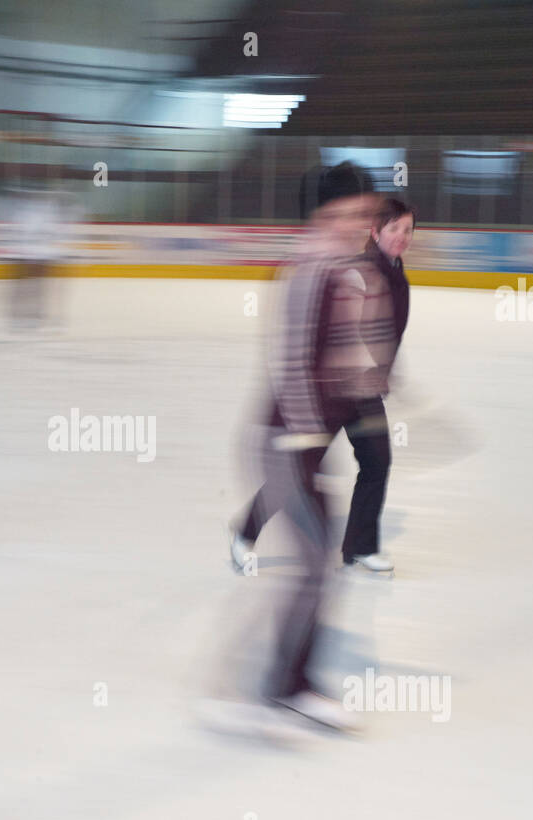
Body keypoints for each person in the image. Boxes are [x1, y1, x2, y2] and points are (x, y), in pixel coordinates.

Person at [226, 161, 392, 732]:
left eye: (365, 214)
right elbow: (292, 356)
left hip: (306, 443)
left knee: (314, 565)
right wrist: (303, 432)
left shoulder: (349, 269)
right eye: (344, 214)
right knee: (314, 563)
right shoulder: (309, 269)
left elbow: (349, 355)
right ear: (322, 216)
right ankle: (266, 690)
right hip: (285, 441)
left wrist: (372, 389)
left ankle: (279, 684)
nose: (357, 224)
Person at [230, 195, 414, 575]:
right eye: (394, 228)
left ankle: (361, 547)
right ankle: (245, 533)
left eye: (408, 229)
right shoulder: (359, 270)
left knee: (377, 462)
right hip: (333, 391)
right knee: (299, 469)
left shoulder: (397, 275)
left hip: (364, 392)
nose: (401, 236)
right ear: (375, 232)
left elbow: (386, 333)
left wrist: (386, 371)